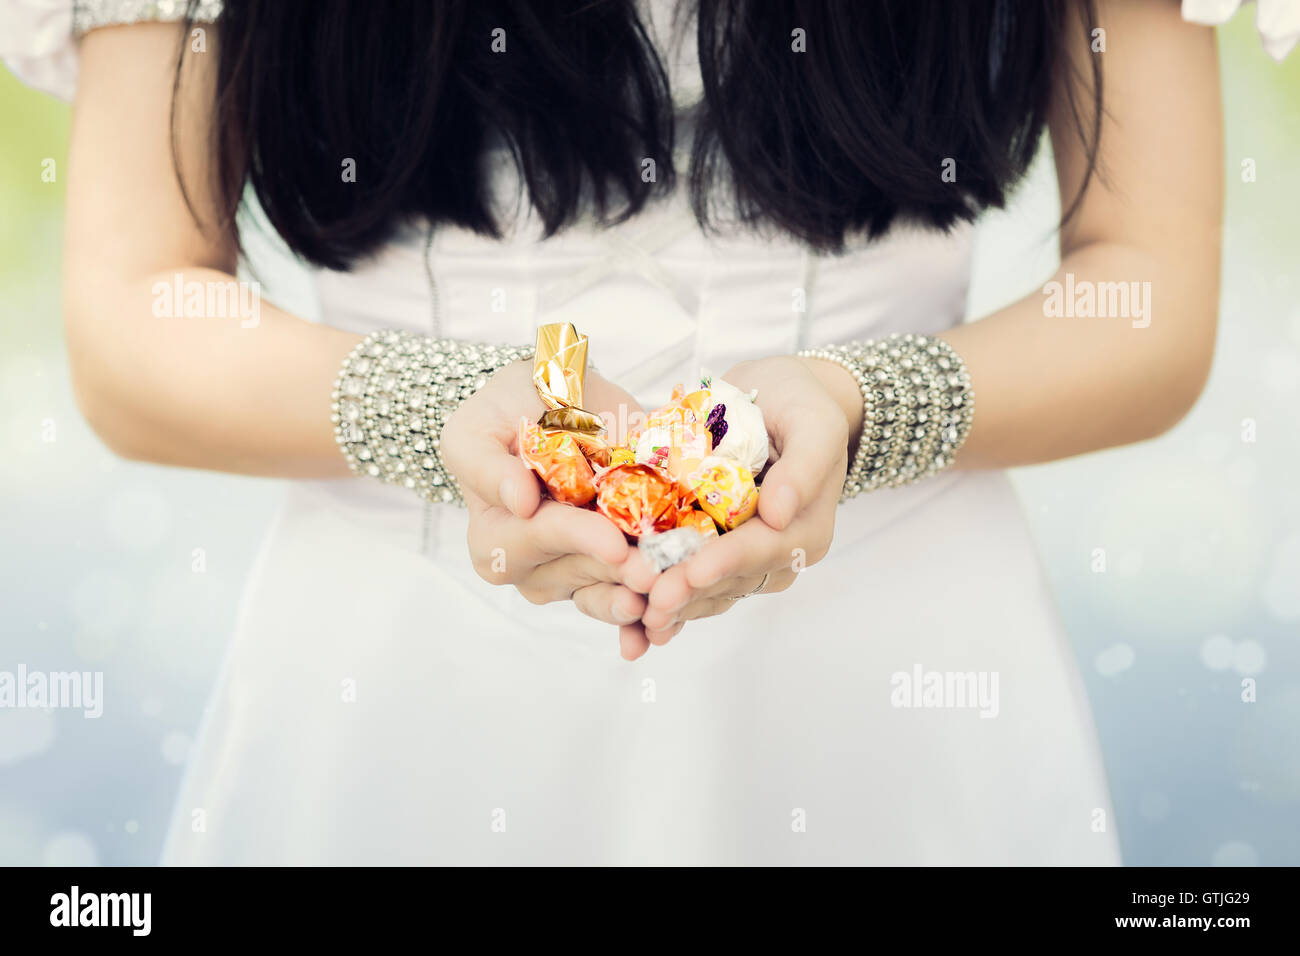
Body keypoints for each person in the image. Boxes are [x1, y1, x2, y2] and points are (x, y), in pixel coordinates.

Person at [3, 0, 1271, 864]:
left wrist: (859, 406)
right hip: (401, 687)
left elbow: (1146, 293)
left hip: (894, 686)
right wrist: (440, 410)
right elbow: (133, 320)